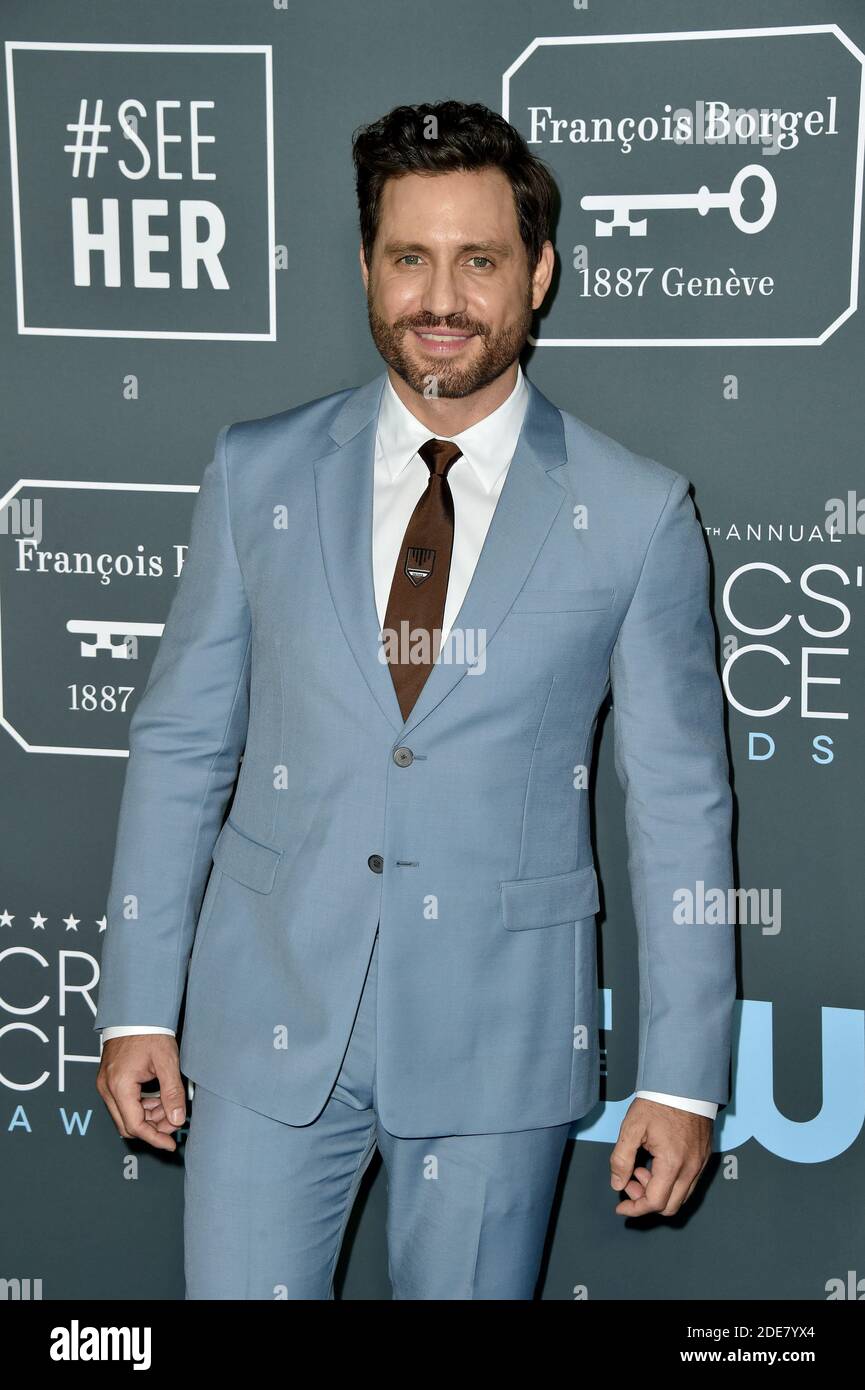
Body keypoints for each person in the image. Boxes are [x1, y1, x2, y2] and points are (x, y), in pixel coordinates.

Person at [94, 100, 736, 1300]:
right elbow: (182, 744)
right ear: (366, 268)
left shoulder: (636, 513)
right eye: (410, 257)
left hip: (499, 1044)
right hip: (266, 1020)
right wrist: (136, 1001)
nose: (439, 298)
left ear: (538, 274)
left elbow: (681, 808)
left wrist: (684, 1076)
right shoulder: (258, 471)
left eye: (478, 259)